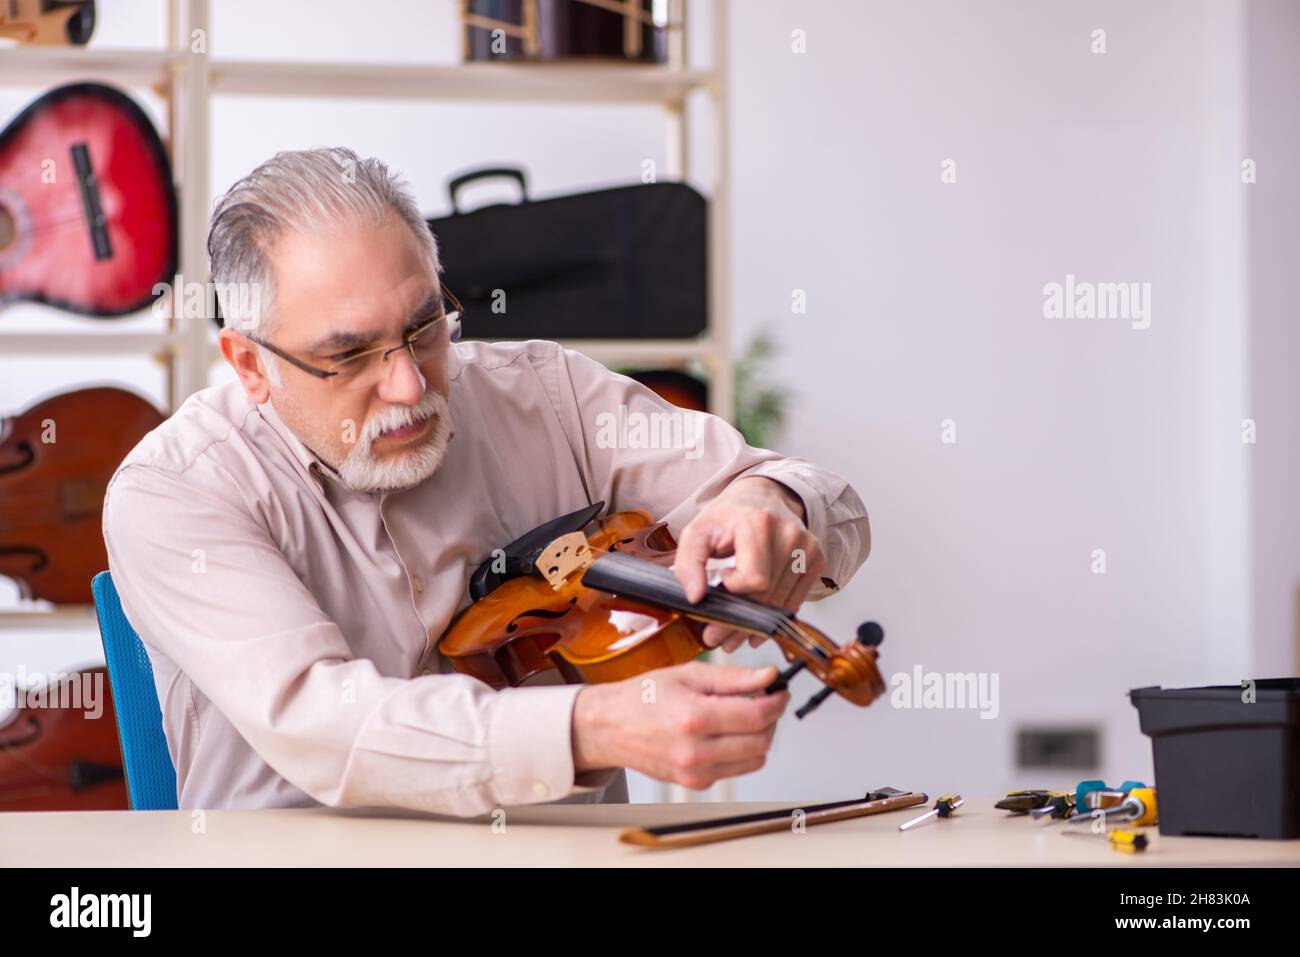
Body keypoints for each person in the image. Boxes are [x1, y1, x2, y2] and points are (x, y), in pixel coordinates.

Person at [102, 148, 871, 814]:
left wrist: (771, 503)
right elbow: (323, 720)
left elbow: (822, 497)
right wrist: (591, 725)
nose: (408, 385)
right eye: (350, 355)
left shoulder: (549, 392)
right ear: (250, 365)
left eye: (425, 325)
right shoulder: (174, 491)